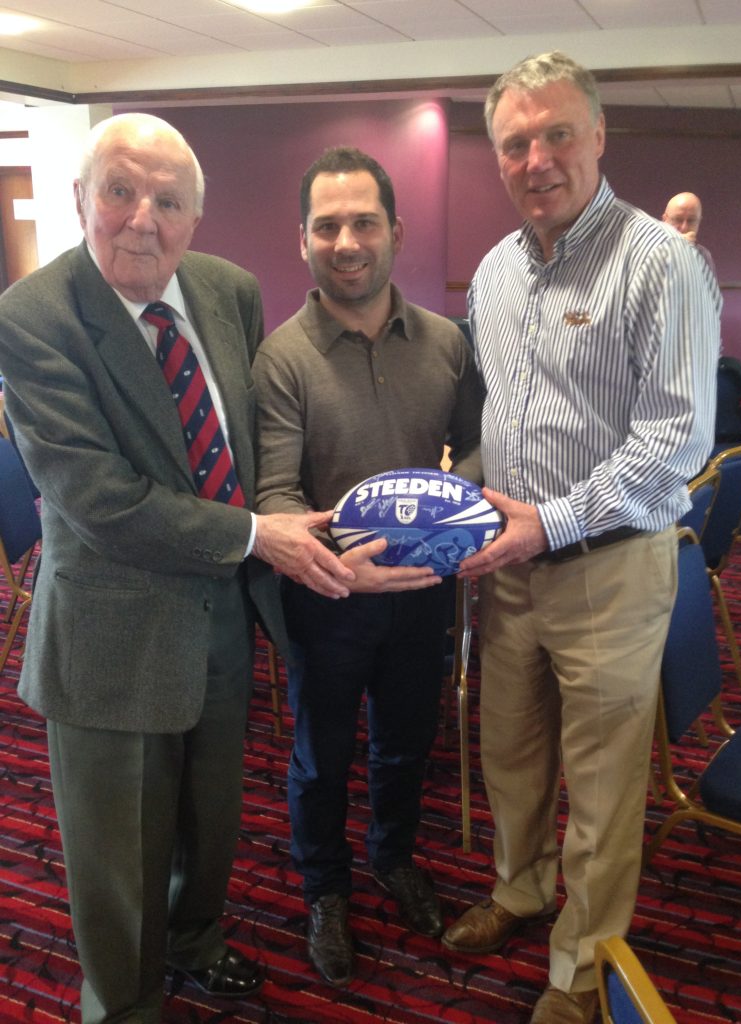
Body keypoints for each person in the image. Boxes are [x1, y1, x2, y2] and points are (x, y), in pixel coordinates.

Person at [0, 112, 354, 1024]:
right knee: (119, 852)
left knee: (210, 815)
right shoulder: (33, 317)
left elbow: (250, 443)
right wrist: (256, 536)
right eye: (119, 192)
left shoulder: (229, 291)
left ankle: (194, 941)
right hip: (111, 632)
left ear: (197, 216)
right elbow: (99, 499)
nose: (142, 219)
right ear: (82, 199)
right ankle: (126, 1002)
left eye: (167, 201)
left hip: (222, 613)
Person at [439, 52, 721, 1024]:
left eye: (558, 134)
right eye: (516, 142)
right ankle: (520, 889)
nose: (537, 159)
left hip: (611, 567)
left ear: (599, 135)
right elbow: (504, 417)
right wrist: (456, 496)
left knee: (601, 790)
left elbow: (678, 438)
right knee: (511, 754)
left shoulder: (659, 262)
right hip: (509, 568)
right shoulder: (494, 272)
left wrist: (548, 522)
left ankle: (582, 969)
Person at [252, 146, 483, 987]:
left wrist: (453, 503)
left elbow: (480, 445)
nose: (345, 242)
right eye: (326, 226)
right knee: (321, 756)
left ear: (396, 231)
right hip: (326, 597)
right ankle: (325, 888)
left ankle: (393, 856)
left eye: (363, 223)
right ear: (302, 239)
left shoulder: (447, 343)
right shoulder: (281, 358)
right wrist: (339, 563)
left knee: (406, 744)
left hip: (424, 589)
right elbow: (276, 493)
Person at [662, 190, 717, 277]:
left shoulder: (703, 255)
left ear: (699, 222)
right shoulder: (648, 250)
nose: (684, 227)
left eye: (691, 221)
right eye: (678, 219)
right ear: (665, 220)